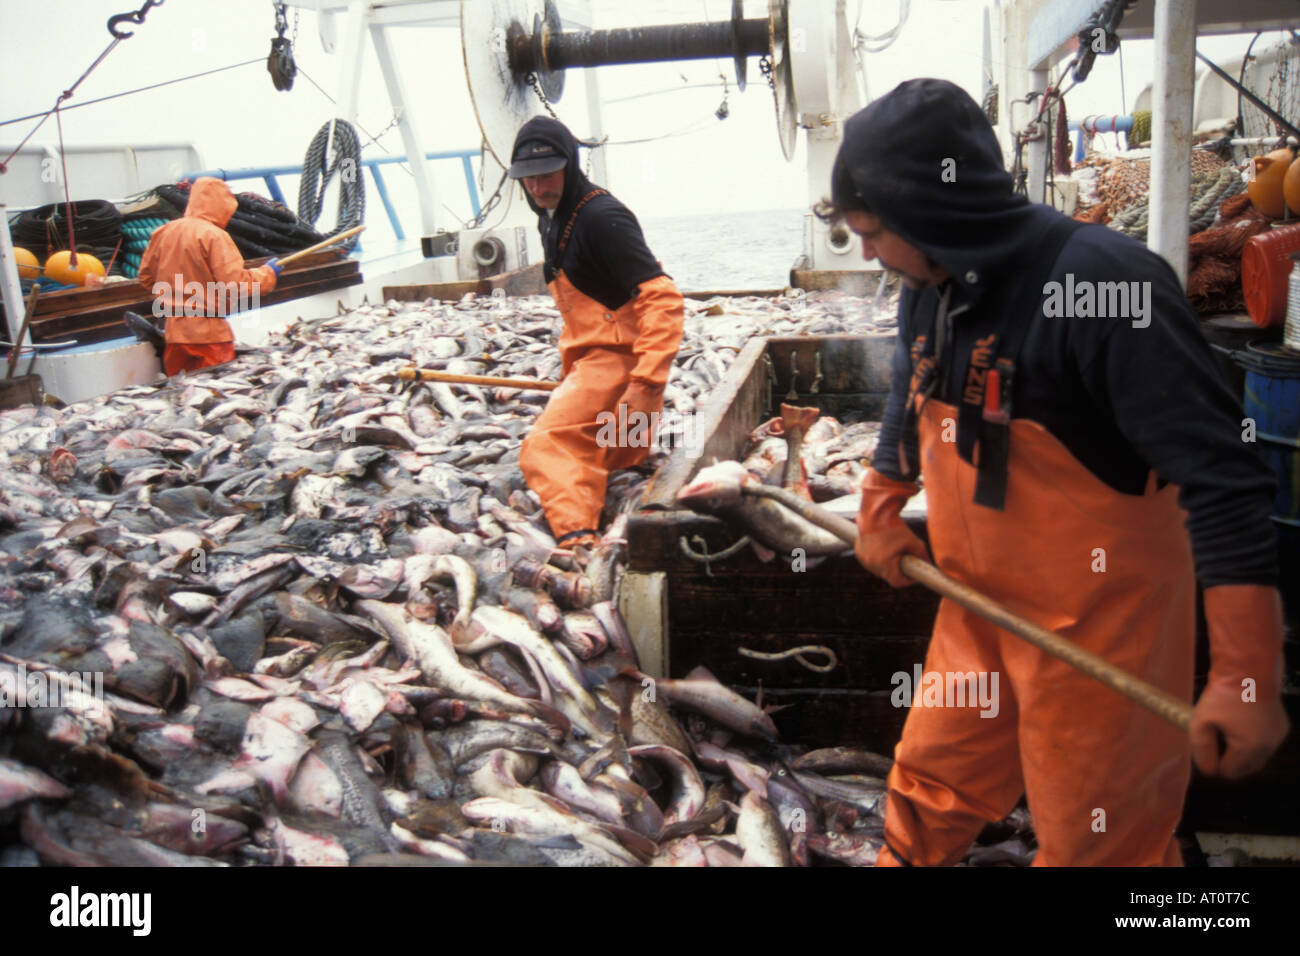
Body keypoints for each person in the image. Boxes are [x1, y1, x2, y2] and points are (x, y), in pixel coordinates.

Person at [823, 79, 1289, 866]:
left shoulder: (1107, 285)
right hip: (977, 606)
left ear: (930, 212)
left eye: (871, 230)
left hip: (1100, 634)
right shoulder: (926, 287)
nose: (866, 250)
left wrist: (1246, 672)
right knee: (927, 781)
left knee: (1099, 842)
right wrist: (881, 499)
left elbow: (1225, 479)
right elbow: (913, 385)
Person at [510, 117, 685, 556]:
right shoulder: (551, 215)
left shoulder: (602, 217)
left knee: (544, 446)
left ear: (571, 165)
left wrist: (646, 384)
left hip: (625, 367)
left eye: (547, 172)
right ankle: (623, 457)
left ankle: (580, 542)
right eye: (527, 177)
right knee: (612, 452)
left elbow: (662, 298)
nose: (536, 185)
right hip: (594, 364)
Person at [135, 177, 280, 375]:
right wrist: (268, 273)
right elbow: (236, 285)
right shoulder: (214, 236)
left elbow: (146, 278)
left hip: (174, 336)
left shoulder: (163, 232)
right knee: (215, 390)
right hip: (210, 337)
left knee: (182, 396)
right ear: (223, 206)